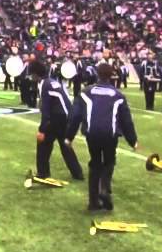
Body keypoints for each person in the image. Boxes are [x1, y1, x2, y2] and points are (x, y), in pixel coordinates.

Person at [68, 64, 139, 212]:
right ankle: (104, 188)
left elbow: (75, 115)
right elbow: (126, 120)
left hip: (92, 133)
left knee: (94, 163)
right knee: (109, 162)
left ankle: (93, 202)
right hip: (109, 134)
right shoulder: (118, 95)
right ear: (112, 75)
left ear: (97, 74)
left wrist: (69, 136)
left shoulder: (85, 92)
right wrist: (133, 140)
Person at [31, 61, 84, 183]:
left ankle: (43, 172)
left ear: (35, 74)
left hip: (57, 117)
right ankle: (77, 173)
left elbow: (46, 111)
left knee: (43, 143)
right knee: (65, 145)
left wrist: (42, 130)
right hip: (67, 117)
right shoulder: (53, 81)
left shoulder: (45, 84)